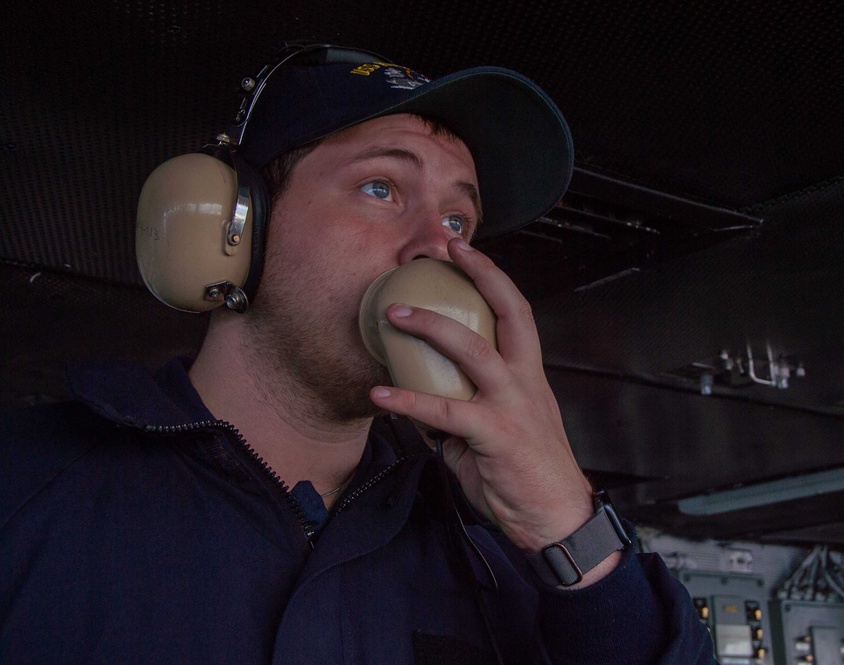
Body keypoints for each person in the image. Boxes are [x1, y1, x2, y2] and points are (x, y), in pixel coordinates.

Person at [0, 44, 714, 664]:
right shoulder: (25, 484)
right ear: (235, 227)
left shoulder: (505, 561)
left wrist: (569, 524)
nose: (438, 247)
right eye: (381, 187)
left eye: (459, 218)